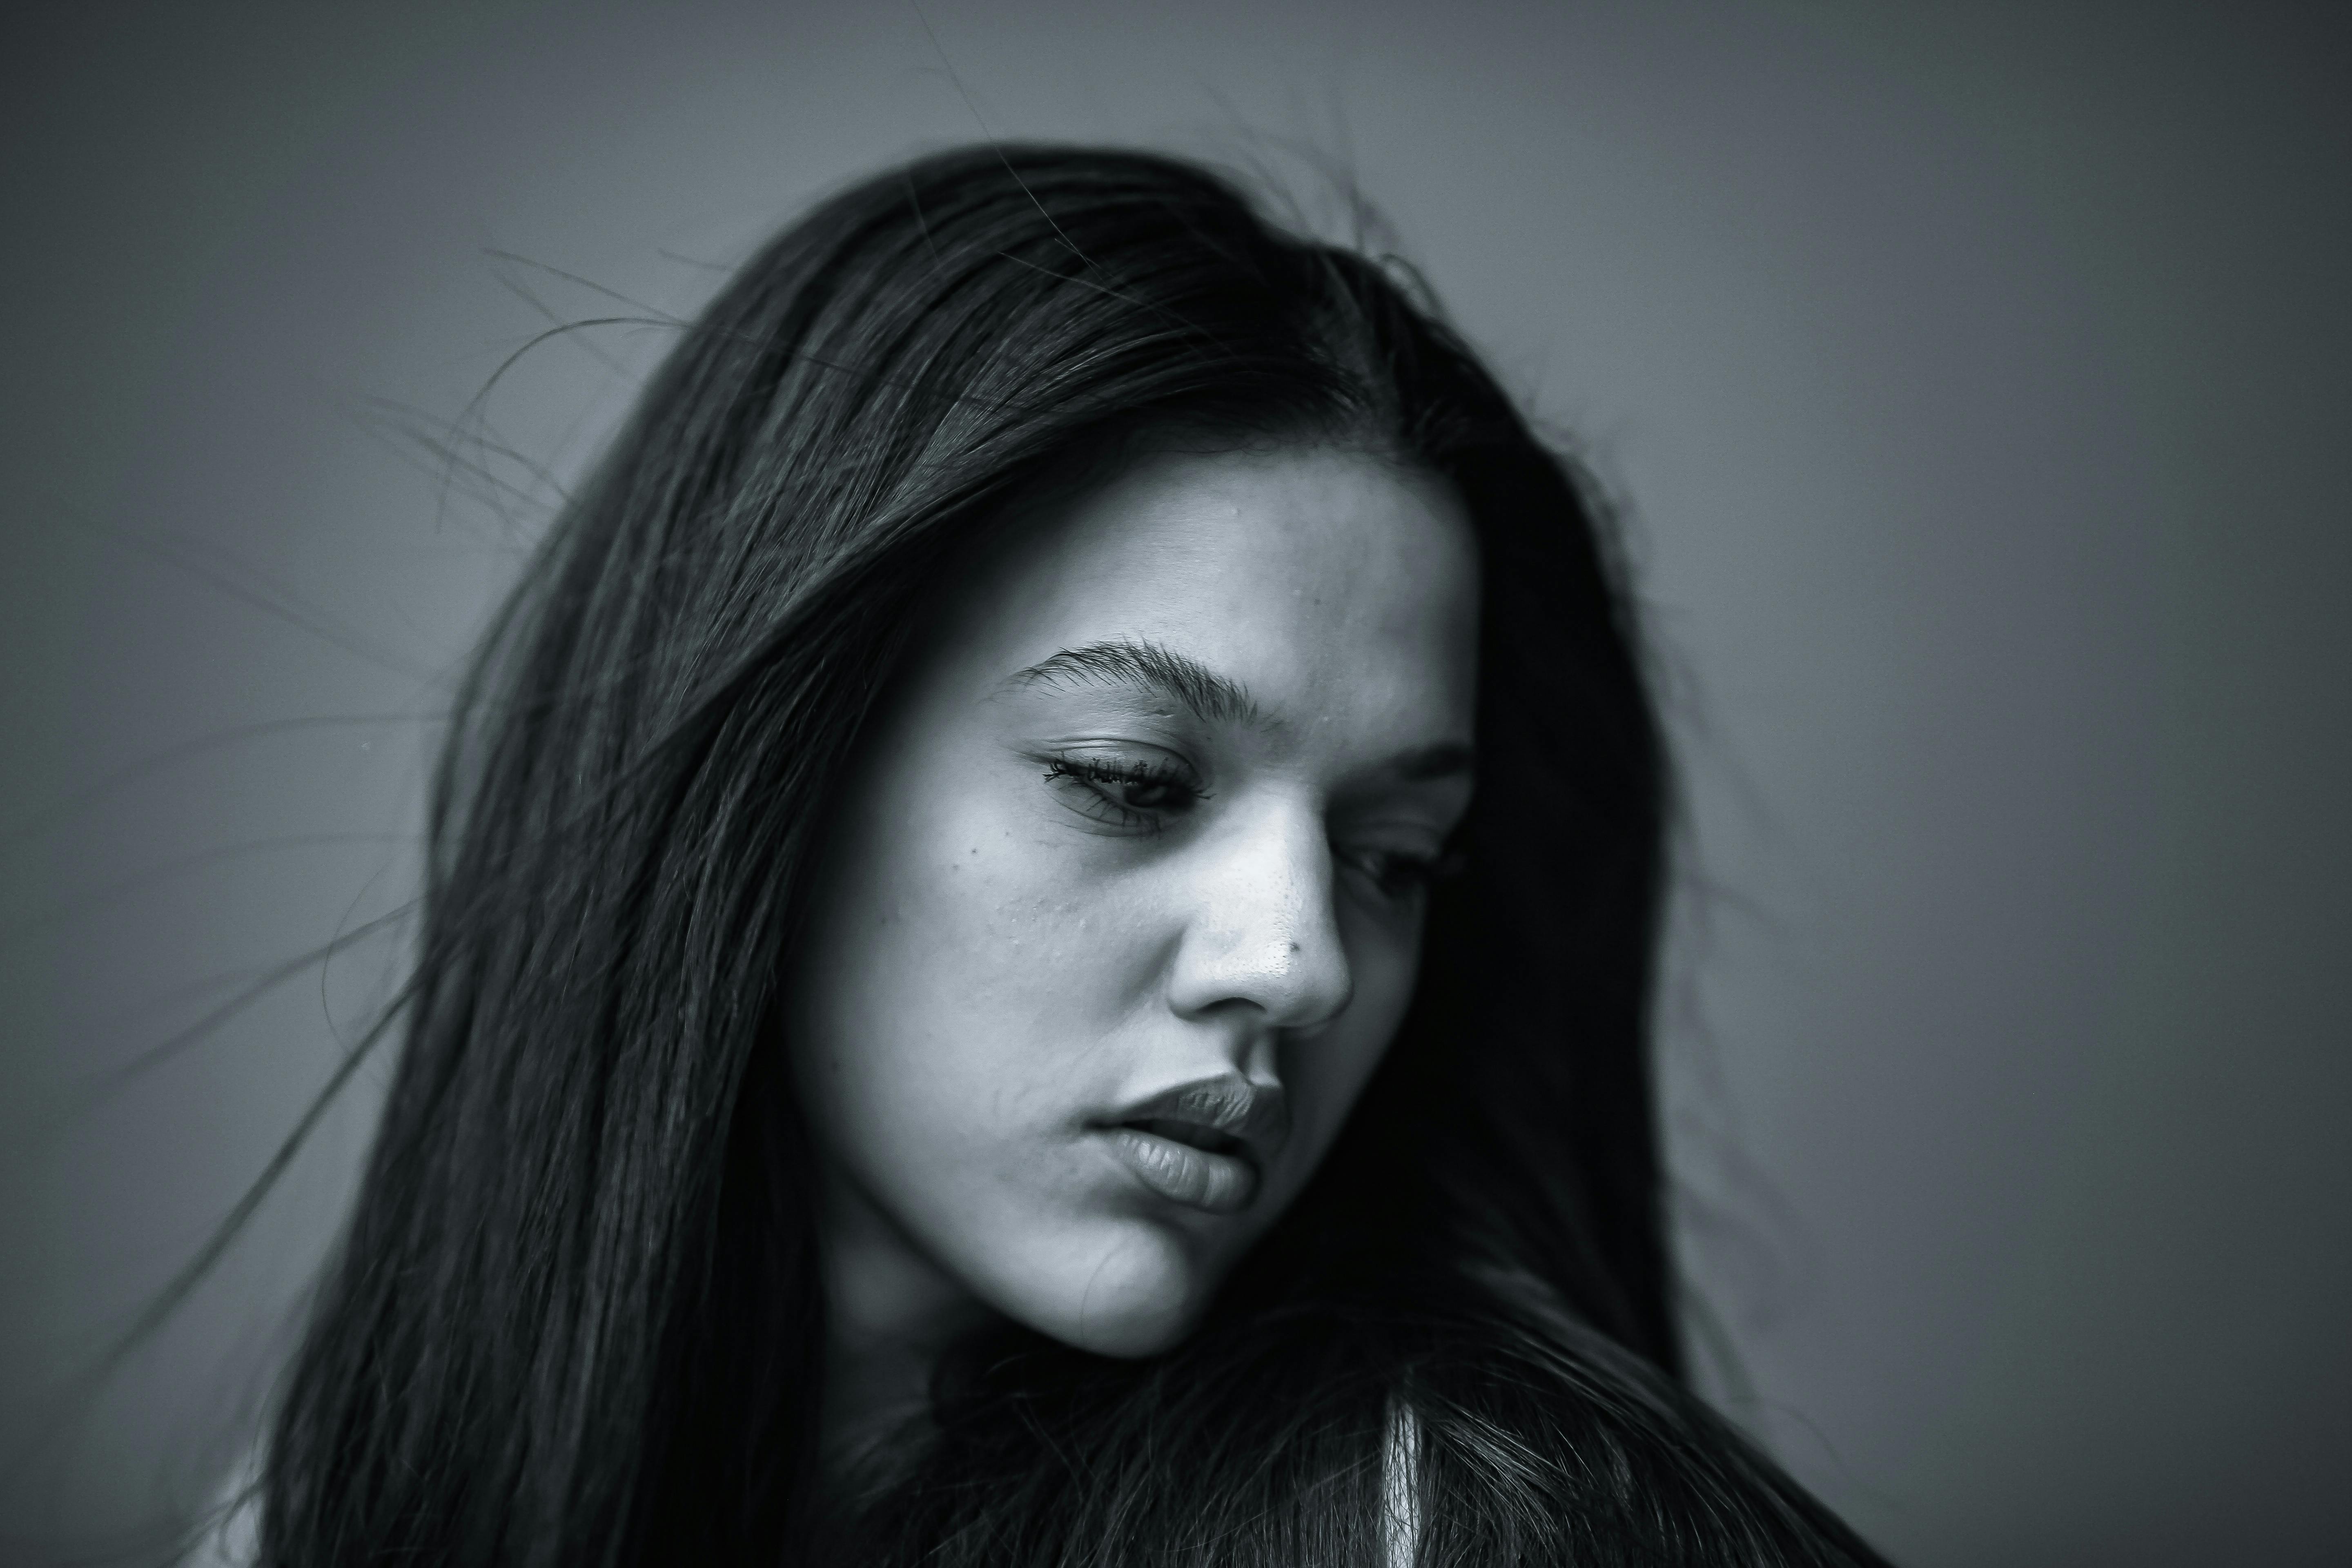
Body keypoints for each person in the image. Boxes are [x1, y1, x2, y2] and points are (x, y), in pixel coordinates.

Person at [237, 143, 1891, 1565]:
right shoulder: (308, 1525)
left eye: (1398, 856)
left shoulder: (1444, 1526)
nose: (1304, 963)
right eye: (1134, 781)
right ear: (772, 785)